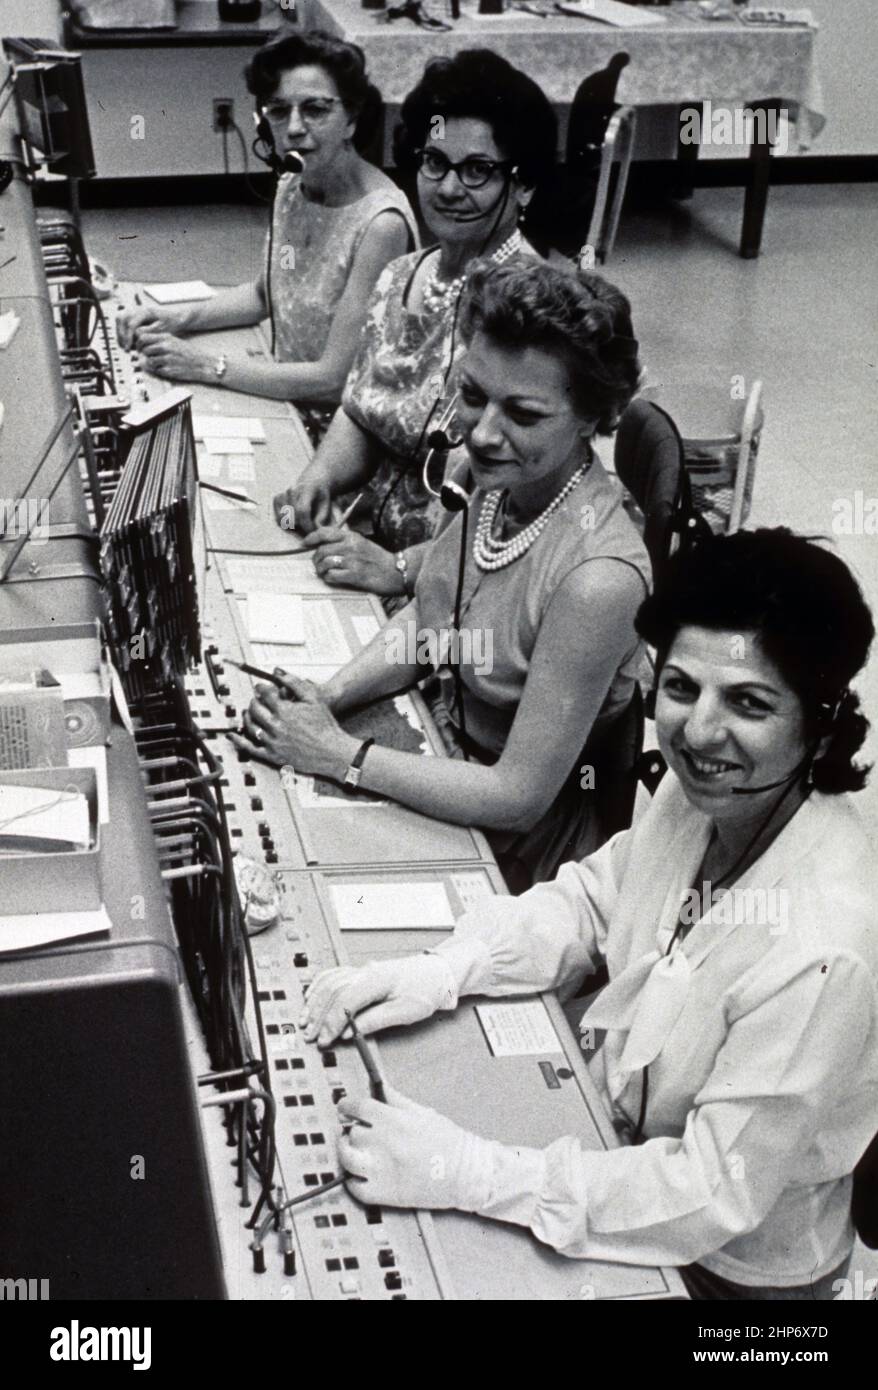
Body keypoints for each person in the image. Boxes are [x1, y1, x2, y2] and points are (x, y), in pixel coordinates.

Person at [300, 528, 878, 1300]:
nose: (699, 733)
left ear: (821, 722)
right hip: (607, 1160)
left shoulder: (827, 943)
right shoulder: (710, 792)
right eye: (680, 688)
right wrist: (445, 968)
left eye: (748, 702)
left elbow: (712, 1188)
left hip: (729, 1274)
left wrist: (472, 1173)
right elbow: (596, 900)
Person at [234, 260, 648, 889]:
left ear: (594, 417)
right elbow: (432, 623)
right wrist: (330, 698)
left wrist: (340, 754)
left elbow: (516, 796)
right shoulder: (504, 480)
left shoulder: (599, 580)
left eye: (524, 414)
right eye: (474, 395)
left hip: (513, 839)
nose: (482, 434)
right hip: (435, 741)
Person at [272, 49, 558, 599]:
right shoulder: (404, 272)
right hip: (365, 549)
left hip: (459, 592)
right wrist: (319, 479)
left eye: (478, 171)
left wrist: (403, 569)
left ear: (523, 186)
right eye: (435, 162)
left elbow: (533, 522)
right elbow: (361, 410)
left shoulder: (538, 317)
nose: (449, 189)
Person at [116, 32, 416, 421]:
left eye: (315, 109)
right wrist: (175, 319)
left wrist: (209, 367)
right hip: (284, 391)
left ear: (352, 120)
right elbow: (267, 294)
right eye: (278, 110)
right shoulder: (293, 184)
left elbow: (333, 379)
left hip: (342, 428)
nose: (293, 128)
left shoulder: (381, 225)